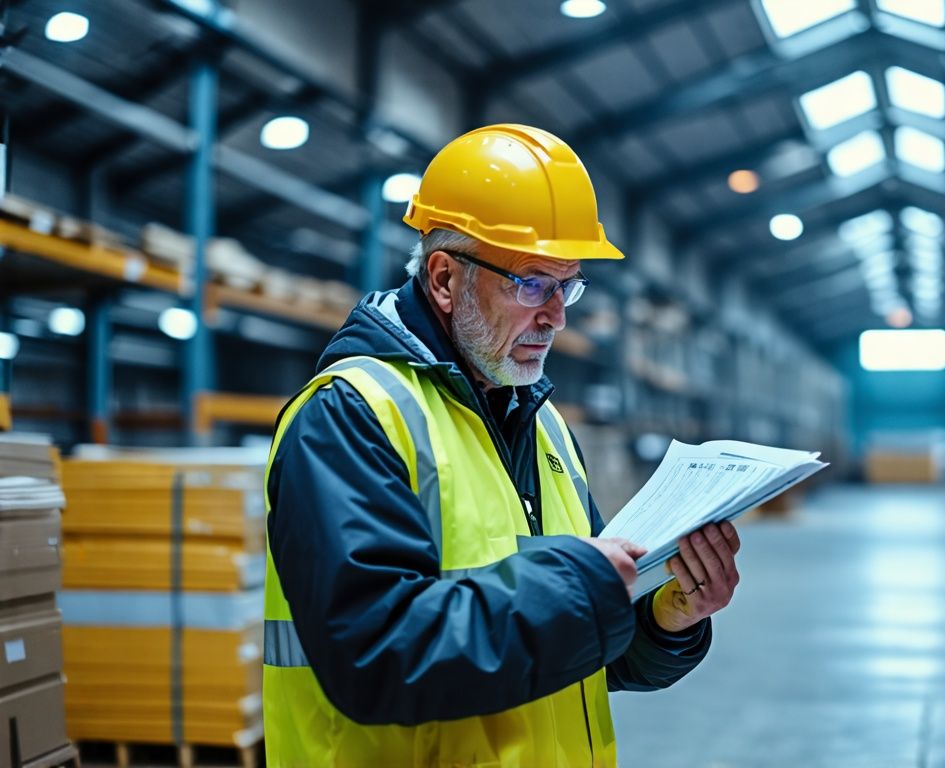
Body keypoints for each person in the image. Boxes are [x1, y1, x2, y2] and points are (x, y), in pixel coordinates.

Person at [261, 124, 742, 767]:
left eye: (567, 286)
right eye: (532, 283)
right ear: (443, 279)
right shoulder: (351, 417)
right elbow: (374, 655)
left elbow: (584, 645)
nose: (556, 315)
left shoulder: (543, 428)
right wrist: (579, 584)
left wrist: (668, 615)